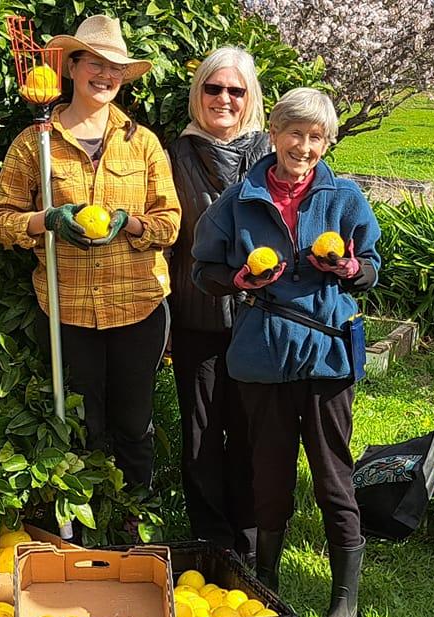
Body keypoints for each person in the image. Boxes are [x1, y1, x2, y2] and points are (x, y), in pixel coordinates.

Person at [192, 88, 381, 617]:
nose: (303, 145)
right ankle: (267, 581)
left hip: (325, 356)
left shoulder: (343, 198)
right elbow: (206, 268)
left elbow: (372, 267)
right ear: (273, 134)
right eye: (294, 133)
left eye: (315, 136)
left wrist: (348, 267)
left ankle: (343, 602)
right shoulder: (239, 199)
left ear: (326, 143)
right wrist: (238, 280)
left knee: (332, 476)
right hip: (264, 356)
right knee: (267, 477)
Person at [0, 15, 182, 520]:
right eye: (95, 63)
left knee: (134, 423)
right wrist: (46, 220)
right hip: (67, 307)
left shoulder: (142, 142)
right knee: (82, 421)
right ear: (72, 66)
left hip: (138, 305)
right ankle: (82, 522)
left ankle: (137, 517)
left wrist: (130, 225)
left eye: (116, 66)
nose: (106, 74)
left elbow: (171, 223)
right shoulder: (37, 142)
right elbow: (0, 219)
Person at [167, 48, 273, 563]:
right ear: (199, 93)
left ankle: (250, 541)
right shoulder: (176, 155)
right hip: (197, 313)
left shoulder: (273, 155)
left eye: (235, 90)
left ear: (249, 97)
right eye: (214, 88)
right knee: (202, 432)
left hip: (261, 318)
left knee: (252, 429)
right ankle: (212, 540)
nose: (224, 99)